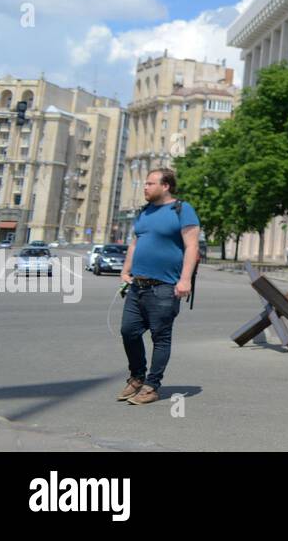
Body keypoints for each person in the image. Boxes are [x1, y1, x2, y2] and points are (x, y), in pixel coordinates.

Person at [117, 168, 200, 406]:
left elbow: (192, 247)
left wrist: (185, 280)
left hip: (164, 287)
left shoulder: (182, 210)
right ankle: (136, 377)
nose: (145, 187)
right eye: (145, 183)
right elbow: (135, 243)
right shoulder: (143, 212)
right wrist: (125, 271)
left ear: (165, 186)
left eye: (150, 183)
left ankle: (152, 385)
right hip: (137, 286)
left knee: (160, 337)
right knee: (128, 332)